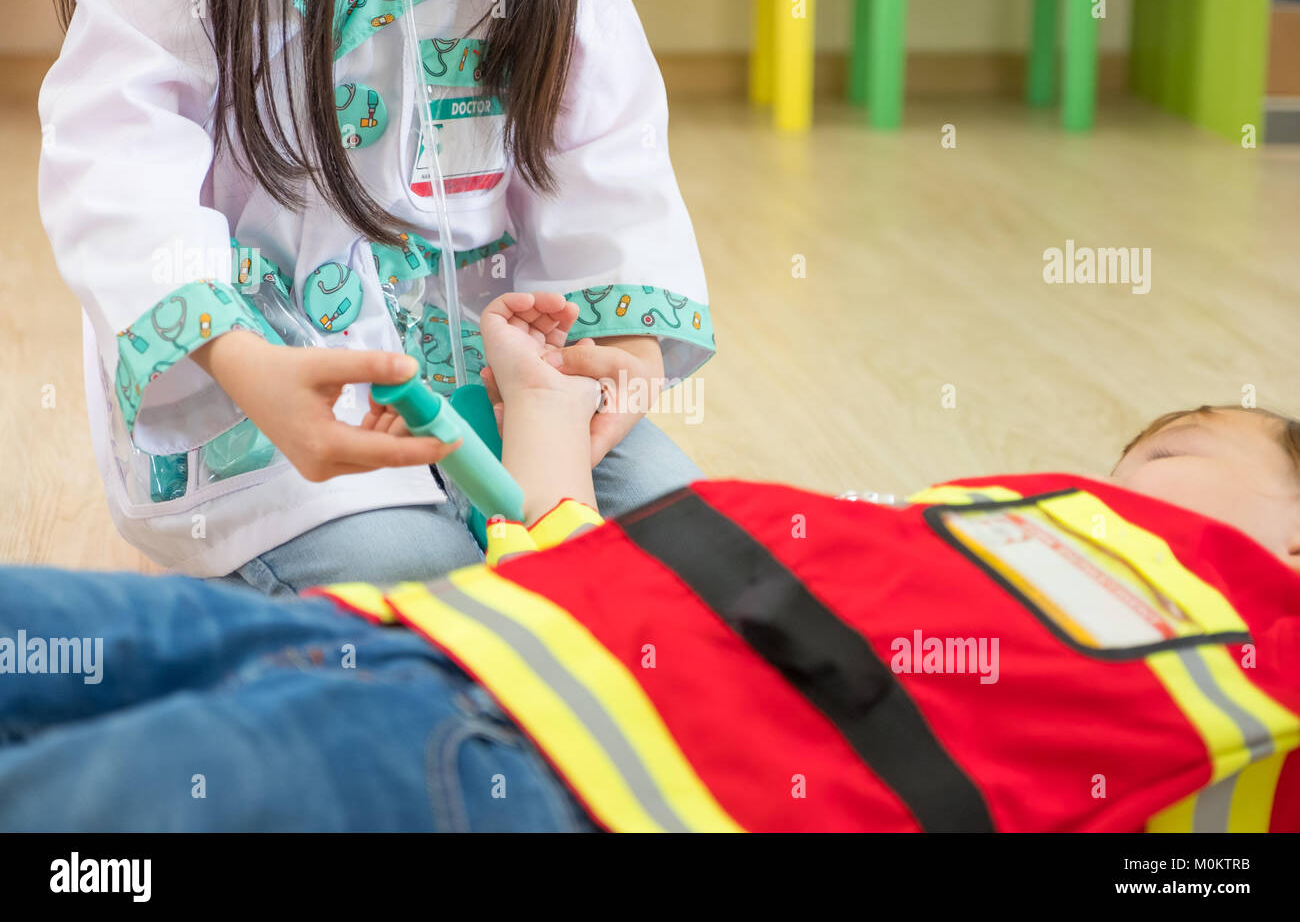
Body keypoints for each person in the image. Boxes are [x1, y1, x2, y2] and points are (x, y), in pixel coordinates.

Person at [2, 290, 1298, 830]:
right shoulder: (971, 529)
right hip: (455, 641)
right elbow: (582, 553)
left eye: (1178, 450)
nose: (1129, 474)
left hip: (553, 778)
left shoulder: (1260, 662)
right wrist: (534, 406)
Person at [37, 0, 713, 590]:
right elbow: (120, 156)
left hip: (510, 368)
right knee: (422, 597)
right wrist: (241, 363)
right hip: (267, 381)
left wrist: (621, 349)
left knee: (695, 564)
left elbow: (608, 143)